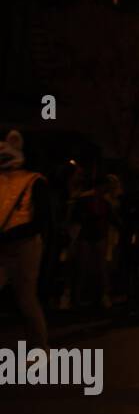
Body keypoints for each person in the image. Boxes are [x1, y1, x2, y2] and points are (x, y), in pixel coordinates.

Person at [0, 129, 51, 351]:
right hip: (6, 245)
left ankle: (40, 347)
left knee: (26, 299)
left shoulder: (34, 181)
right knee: (25, 299)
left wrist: (11, 234)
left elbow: (41, 220)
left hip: (24, 246)